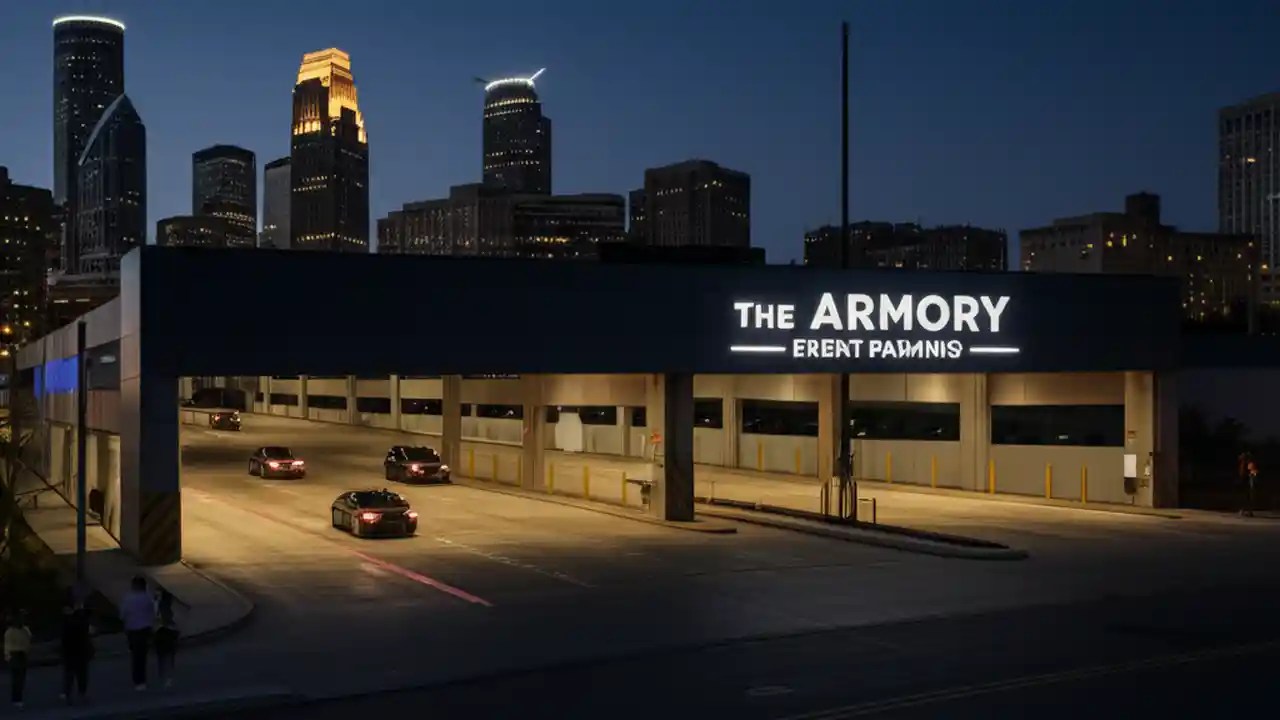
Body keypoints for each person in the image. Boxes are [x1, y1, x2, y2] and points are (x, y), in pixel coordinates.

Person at [120, 575, 154, 690]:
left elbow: (123, 614)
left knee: (135, 655)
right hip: (145, 629)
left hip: (132, 630)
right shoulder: (147, 597)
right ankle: (142, 680)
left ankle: (137, 679)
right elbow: (152, 612)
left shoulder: (128, 598)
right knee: (142, 655)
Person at [60, 590, 94, 704]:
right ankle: (80, 693)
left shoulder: (67, 618)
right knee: (81, 672)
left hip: (71, 648)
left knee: (70, 672)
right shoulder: (80, 617)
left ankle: (68, 693)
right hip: (79, 647)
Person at [153, 589, 180, 688]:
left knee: (162, 656)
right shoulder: (165, 608)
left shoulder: (158, 605)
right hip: (166, 633)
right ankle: (168, 677)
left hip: (160, 632)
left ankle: (162, 675)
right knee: (169, 655)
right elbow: (168, 621)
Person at [4, 612, 32, 708]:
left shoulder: (25, 630)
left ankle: (17, 696)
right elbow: (7, 645)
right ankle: (16, 698)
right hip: (15, 654)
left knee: (21, 677)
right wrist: (8, 656)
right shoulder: (10, 632)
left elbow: (28, 641)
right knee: (17, 677)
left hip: (21, 654)